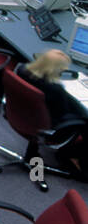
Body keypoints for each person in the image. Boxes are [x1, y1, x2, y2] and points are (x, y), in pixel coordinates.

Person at [17, 51, 87, 179]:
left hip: (21, 113)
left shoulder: (22, 70)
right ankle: (76, 160)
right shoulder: (55, 90)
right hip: (48, 124)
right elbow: (63, 112)